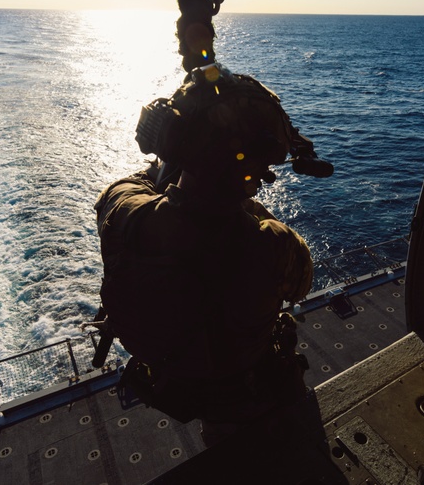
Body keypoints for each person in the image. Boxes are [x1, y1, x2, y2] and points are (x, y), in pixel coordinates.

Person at [94, 65, 314, 447]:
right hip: (247, 396)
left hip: (180, 385)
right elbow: (300, 285)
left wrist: (175, 161)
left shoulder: (125, 214)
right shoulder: (273, 242)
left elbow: (125, 188)